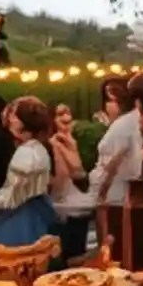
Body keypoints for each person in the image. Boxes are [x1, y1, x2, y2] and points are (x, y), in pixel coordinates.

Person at [88, 72, 143, 268]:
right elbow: (105, 177)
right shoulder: (123, 131)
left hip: (137, 206)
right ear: (140, 105)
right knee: (124, 266)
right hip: (118, 210)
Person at [0, 96, 56, 246]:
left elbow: (12, 197)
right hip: (34, 216)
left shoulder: (26, 153)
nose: (10, 118)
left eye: (14, 114)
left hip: (19, 221)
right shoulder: (39, 148)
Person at [50, 103, 95, 262]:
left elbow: (80, 174)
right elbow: (75, 171)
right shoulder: (52, 145)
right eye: (60, 114)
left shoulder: (73, 141)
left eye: (68, 113)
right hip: (62, 212)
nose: (65, 117)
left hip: (78, 210)